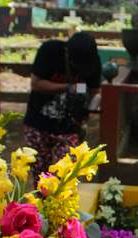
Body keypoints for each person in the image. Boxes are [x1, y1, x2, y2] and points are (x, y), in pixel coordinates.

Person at [24, 31, 102, 180]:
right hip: (38, 123)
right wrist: (67, 87)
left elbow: (95, 91)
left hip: (69, 128)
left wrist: (90, 108)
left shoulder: (92, 61)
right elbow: (36, 83)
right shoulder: (49, 51)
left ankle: (61, 203)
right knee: (41, 177)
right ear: (67, 52)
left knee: (64, 176)